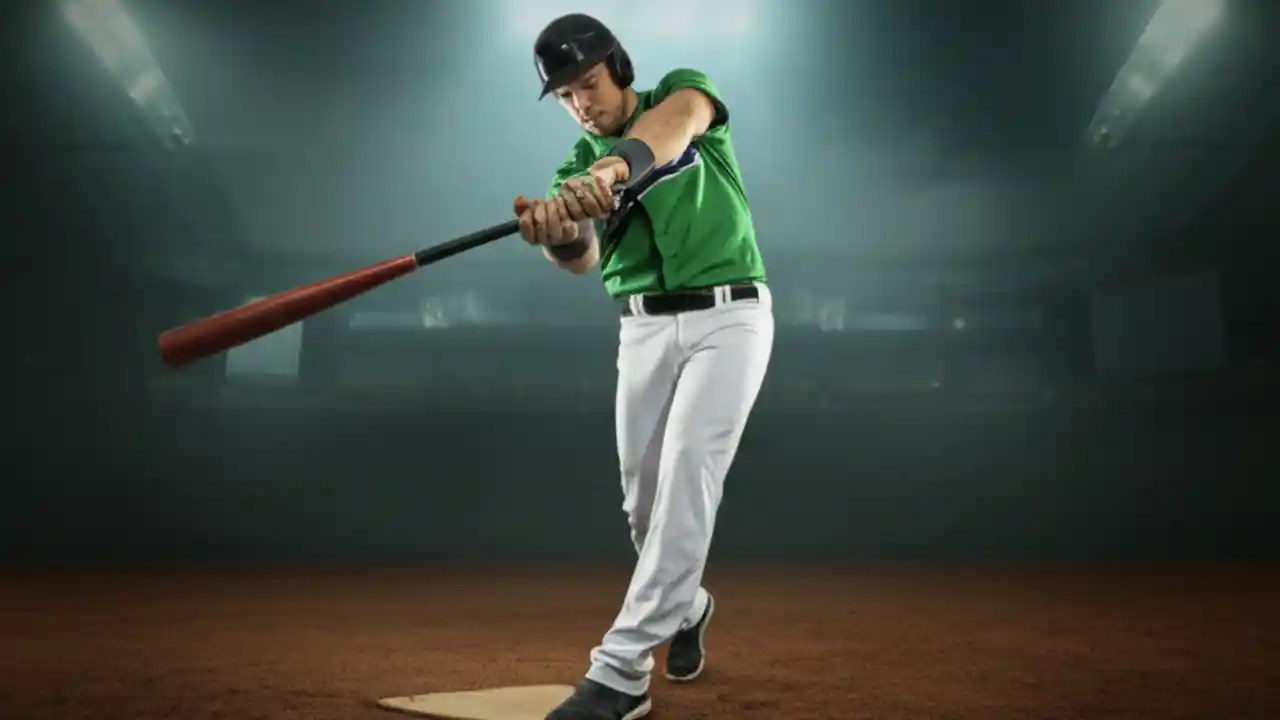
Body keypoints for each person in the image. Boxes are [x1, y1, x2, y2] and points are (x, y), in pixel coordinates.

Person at [513, 13, 774, 720]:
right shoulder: (571, 168)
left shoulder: (682, 93)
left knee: (691, 472)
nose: (581, 103)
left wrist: (614, 169)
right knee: (643, 506)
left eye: (588, 83)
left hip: (731, 316)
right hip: (643, 331)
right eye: (565, 95)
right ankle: (687, 605)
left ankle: (621, 672)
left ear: (619, 66)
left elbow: (673, 128)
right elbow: (582, 263)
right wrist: (557, 232)